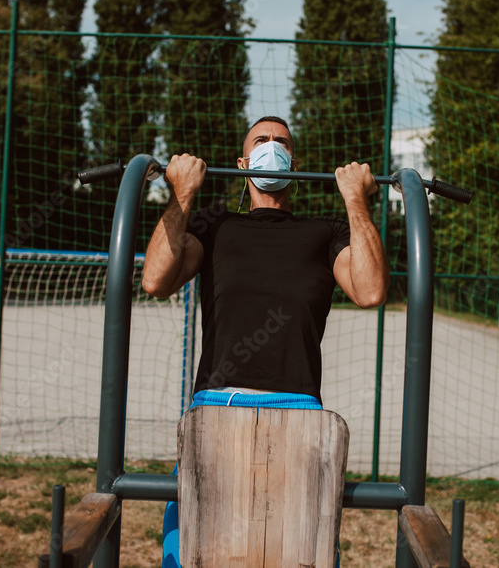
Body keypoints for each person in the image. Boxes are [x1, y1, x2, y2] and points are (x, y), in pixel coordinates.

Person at [141, 115, 390, 568]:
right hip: (217, 407)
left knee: (297, 554)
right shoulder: (216, 226)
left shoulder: (325, 231)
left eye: (280, 142)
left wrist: (356, 200)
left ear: (293, 162)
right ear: (243, 160)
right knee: (192, 552)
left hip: (300, 414)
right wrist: (182, 193)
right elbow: (156, 280)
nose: (270, 146)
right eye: (261, 140)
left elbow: (370, 290)